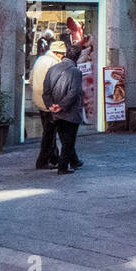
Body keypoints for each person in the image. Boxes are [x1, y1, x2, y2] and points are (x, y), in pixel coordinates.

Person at [42, 41, 85, 175]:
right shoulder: (76, 71)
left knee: (64, 138)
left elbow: (46, 90)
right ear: (77, 57)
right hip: (69, 112)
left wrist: (51, 105)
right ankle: (63, 167)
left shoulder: (52, 69)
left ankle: (73, 161)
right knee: (69, 141)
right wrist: (61, 106)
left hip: (55, 111)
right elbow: (74, 92)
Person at [31, 36, 60, 170]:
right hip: (50, 102)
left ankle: (54, 157)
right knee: (49, 133)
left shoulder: (40, 59)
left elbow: (31, 79)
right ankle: (42, 160)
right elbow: (55, 85)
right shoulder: (54, 63)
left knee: (49, 130)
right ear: (58, 53)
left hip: (39, 100)